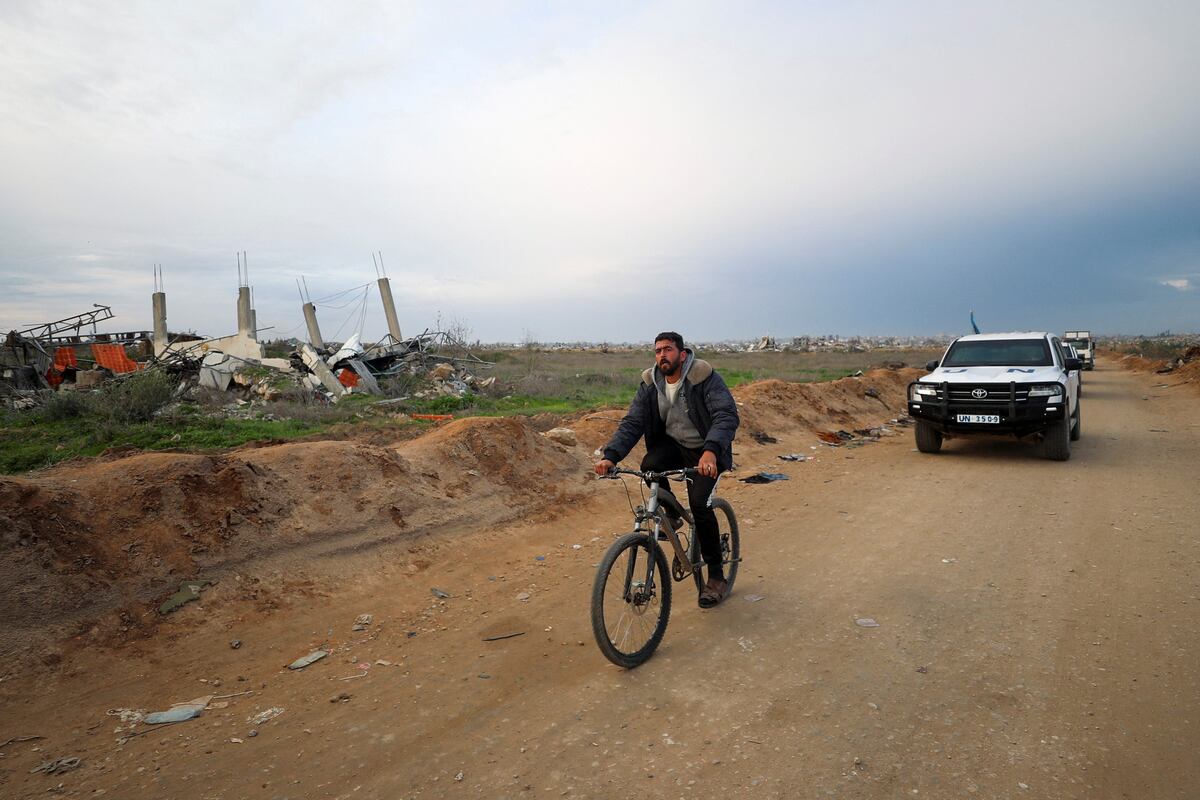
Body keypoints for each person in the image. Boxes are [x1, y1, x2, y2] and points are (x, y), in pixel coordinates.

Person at [594, 331, 740, 607]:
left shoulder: (702, 377)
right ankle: (672, 516)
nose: (663, 355)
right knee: (650, 465)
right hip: (675, 446)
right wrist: (610, 456)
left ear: (682, 355)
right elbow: (632, 423)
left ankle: (717, 576)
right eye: (658, 350)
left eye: (668, 350)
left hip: (706, 451)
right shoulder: (650, 383)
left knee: (699, 504)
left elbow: (726, 415)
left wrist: (711, 452)